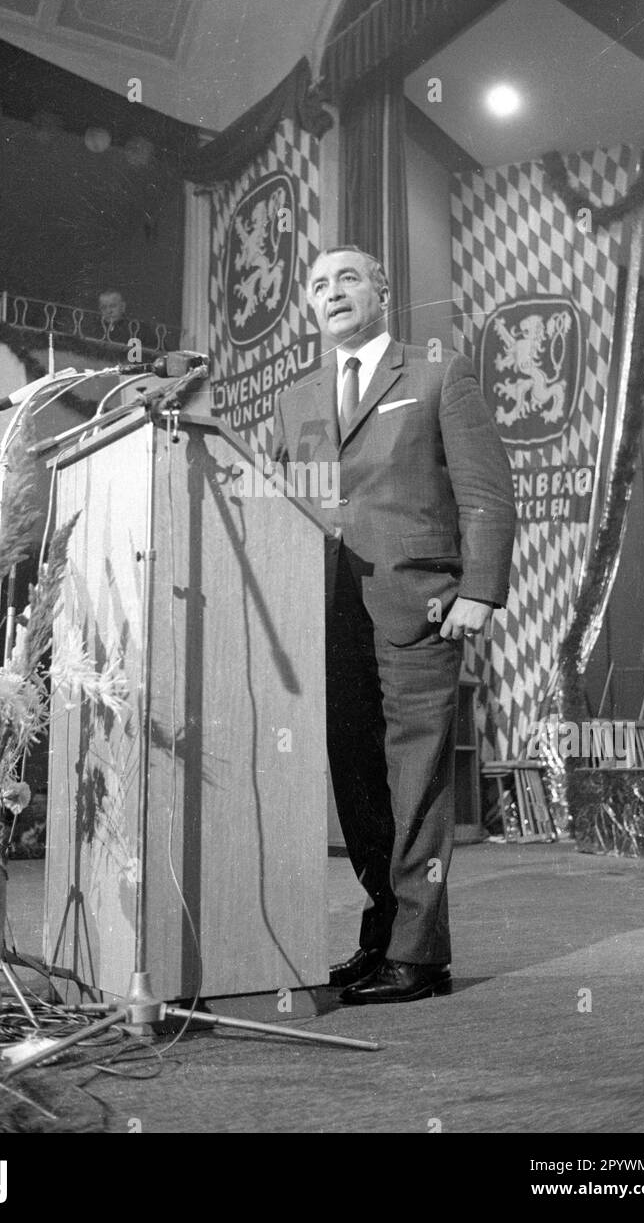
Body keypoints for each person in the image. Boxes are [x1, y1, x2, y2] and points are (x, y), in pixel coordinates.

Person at [271, 246, 516, 1005]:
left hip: (420, 609)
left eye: (347, 278)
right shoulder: (296, 397)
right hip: (327, 617)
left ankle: (419, 955)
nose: (331, 292)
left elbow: (486, 492)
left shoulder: (440, 373)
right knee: (358, 783)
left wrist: (479, 589)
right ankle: (380, 935)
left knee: (416, 781)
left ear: (381, 288)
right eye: (316, 285)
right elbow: (278, 504)